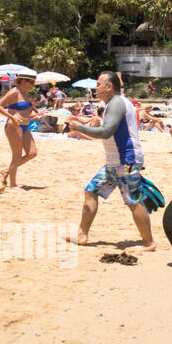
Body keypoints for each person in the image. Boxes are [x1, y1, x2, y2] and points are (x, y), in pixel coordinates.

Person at [62, 71, 157, 250]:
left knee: (133, 200)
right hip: (114, 161)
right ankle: (82, 234)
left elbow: (106, 131)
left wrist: (80, 127)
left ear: (109, 86)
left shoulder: (117, 103)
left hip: (126, 160)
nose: (95, 88)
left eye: (98, 84)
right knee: (91, 190)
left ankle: (149, 242)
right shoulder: (111, 104)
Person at [0, 71, 41, 189]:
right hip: (13, 126)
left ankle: (6, 171)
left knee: (32, 153)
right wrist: (11, 117)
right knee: (17, 155)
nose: (33, 84)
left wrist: (36, 115)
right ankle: (13, 185)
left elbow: (24, 111)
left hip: (25, 126)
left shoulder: (25, 93)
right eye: (32, 82)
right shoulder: (14, 92)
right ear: (23, 81)